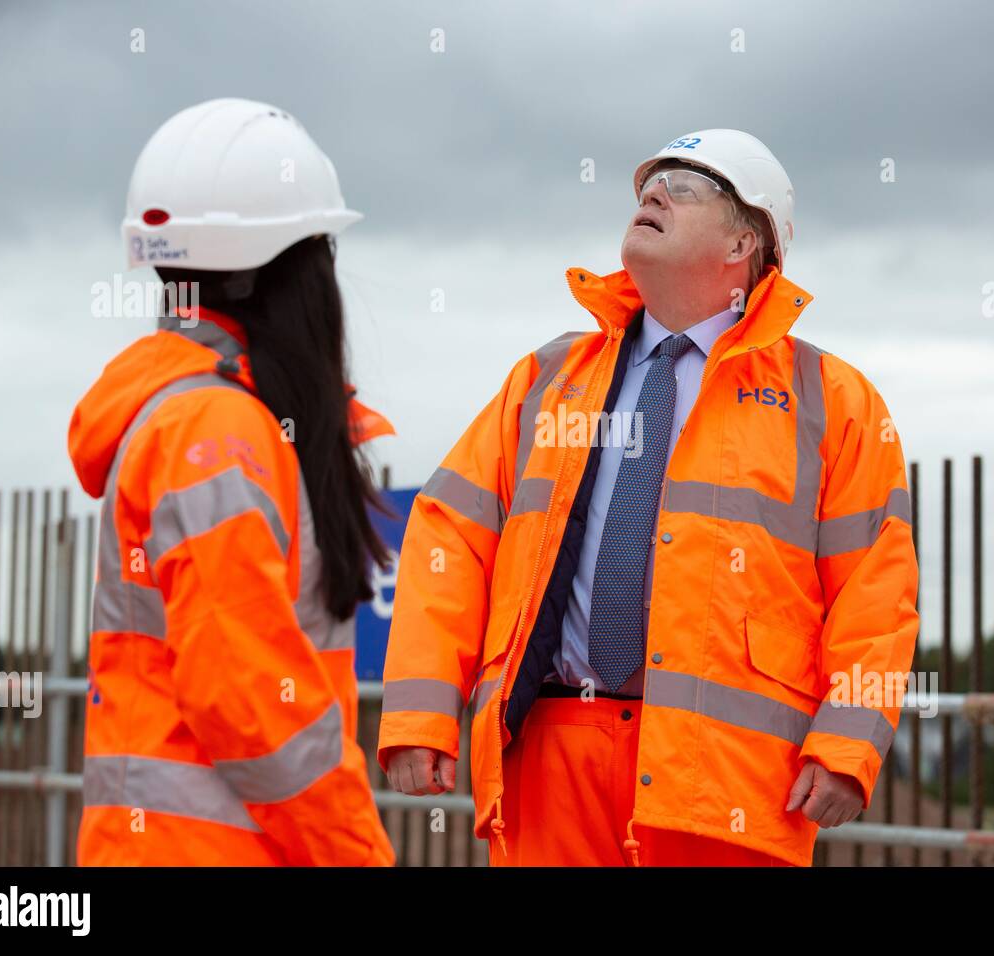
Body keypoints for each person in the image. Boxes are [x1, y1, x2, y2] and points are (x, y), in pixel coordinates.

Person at [379, 129, 919, 866]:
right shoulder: (548, 377)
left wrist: (851, 740)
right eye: (648, 185)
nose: (653, 194)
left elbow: (875, 591)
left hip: (728, 783)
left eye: (686, 186)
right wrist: (419, 715)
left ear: (745, 244)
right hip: (552, 762)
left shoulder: (832, 401)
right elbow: (449, 537)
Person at [69, 98, 395, 866]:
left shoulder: (205, 415)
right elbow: (247, 691)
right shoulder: (215, 431)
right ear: (284, 271)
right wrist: (359, 853)